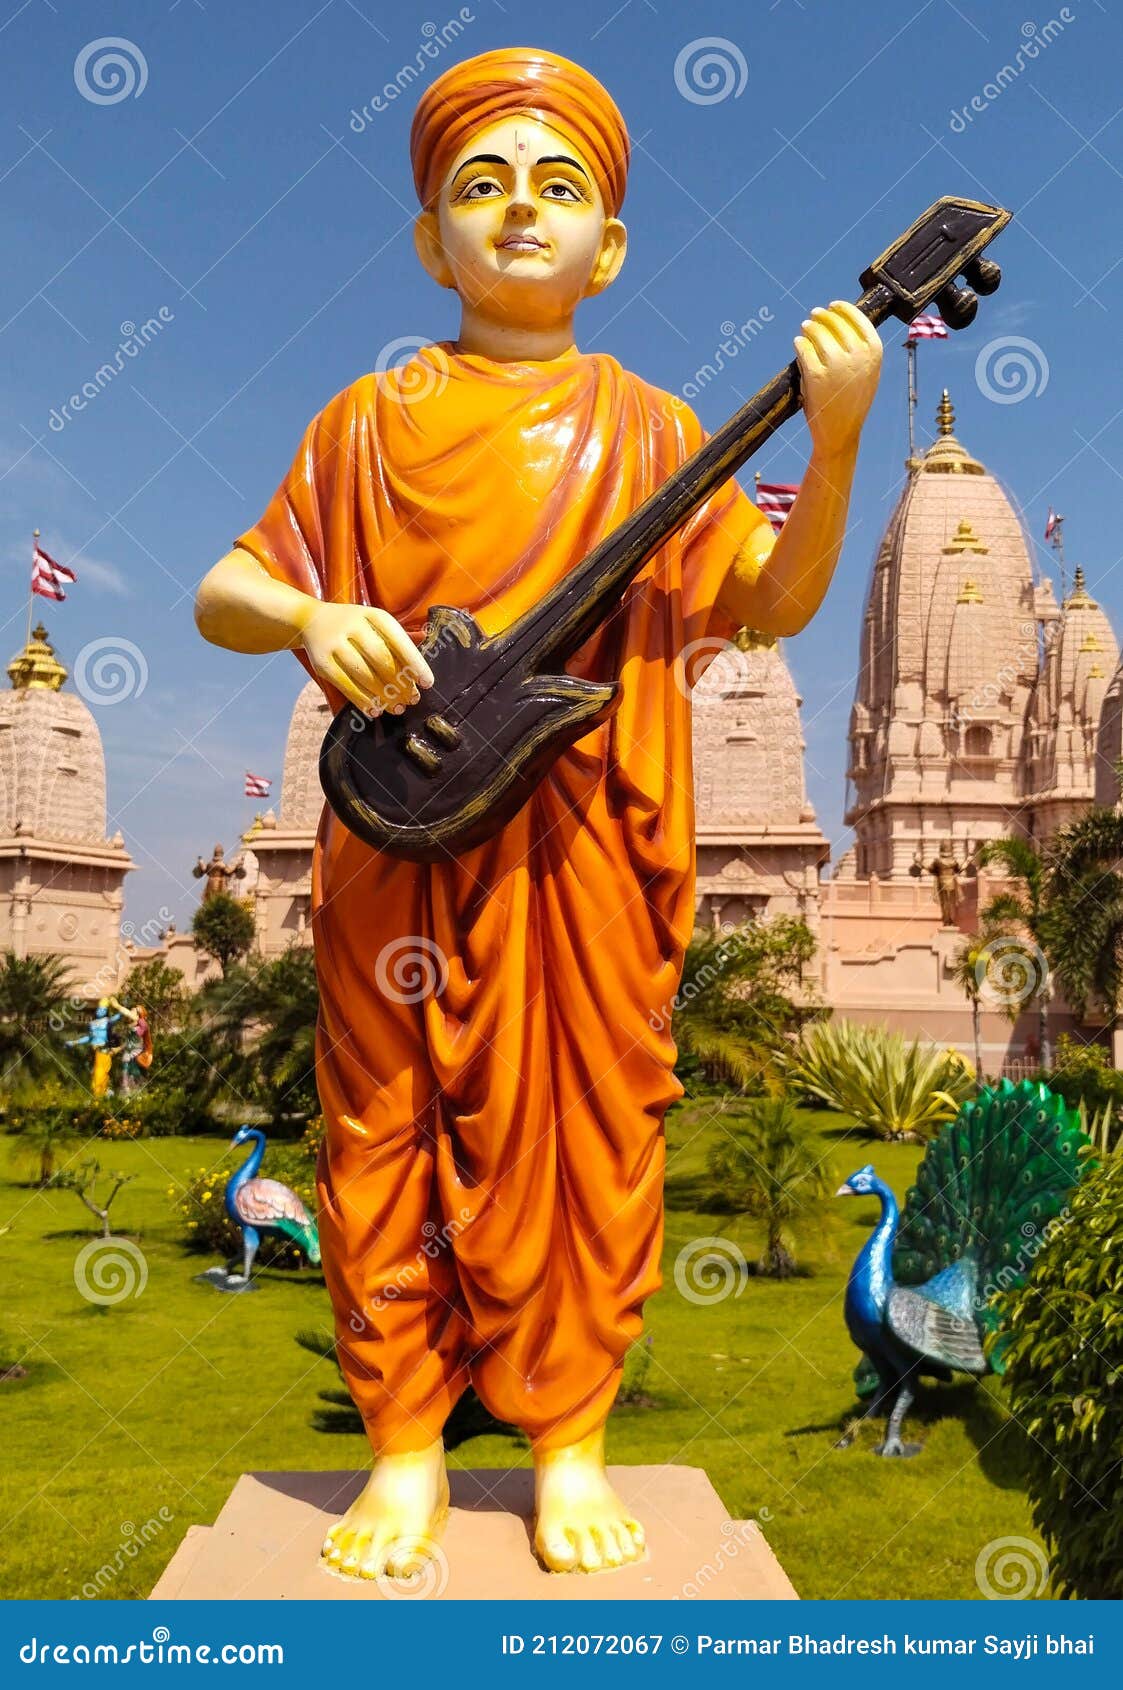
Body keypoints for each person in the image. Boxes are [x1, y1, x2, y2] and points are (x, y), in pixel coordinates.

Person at [194, 47, 880, 1580]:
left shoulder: (652, 430)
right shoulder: (372, 420)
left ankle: (570, 1437)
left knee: (586, 1138)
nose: (519, 214)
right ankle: (406, 1448)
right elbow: (222, 587)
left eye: (558, 189)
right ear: (431, 241)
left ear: (609, 249)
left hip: (581, 862)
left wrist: (831, 440)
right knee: (385, 1131)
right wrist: (311, 617)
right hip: (401, 861)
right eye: (479, 187)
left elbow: (764, 603)